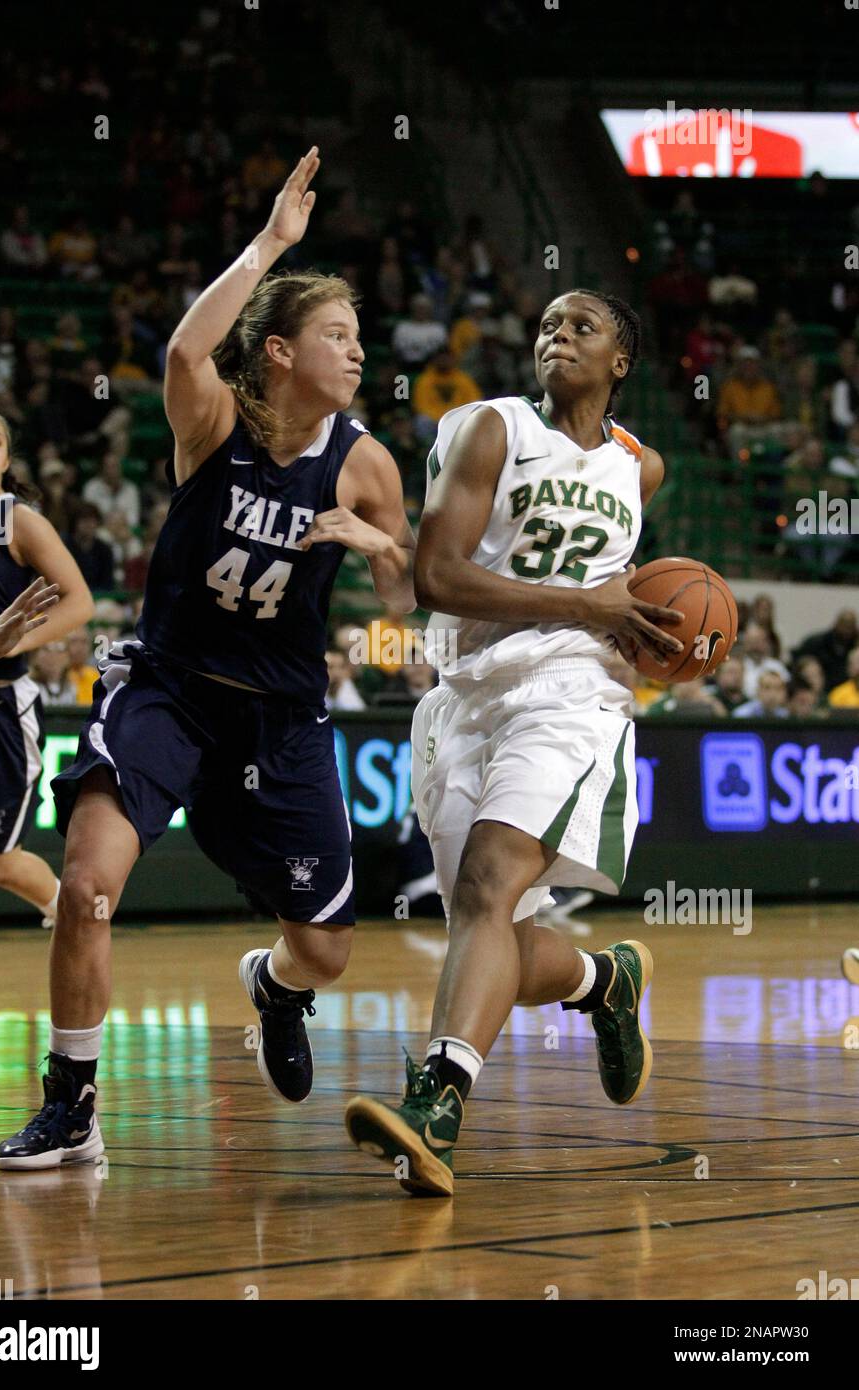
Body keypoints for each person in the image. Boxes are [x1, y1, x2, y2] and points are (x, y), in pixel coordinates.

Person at [0, 147, 416, 1170]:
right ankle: (74, 1102)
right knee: (89, 882)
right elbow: (188, 350)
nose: (357, 353)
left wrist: (383, 555)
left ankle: (273, 987)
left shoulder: (364, 464)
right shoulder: (214, 417)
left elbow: (407, 606)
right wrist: (271, 242)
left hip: (279, 718)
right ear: (276, 350)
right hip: (169, 690)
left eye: (360, 337)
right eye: (335, 334)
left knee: (325, 947)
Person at [345, 288, 684, 1195]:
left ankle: (436, 1104)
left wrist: (652, 633)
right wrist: (591, 604)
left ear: (620, 362)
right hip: (464, 694)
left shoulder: (640, 469)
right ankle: (599, 982)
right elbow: (436, 576)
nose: (557, 335)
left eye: (583, 326)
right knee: (483, 925)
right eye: (547, 324)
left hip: (572, 692)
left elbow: (621, 597)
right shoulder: (486, 429)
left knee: (491, 879)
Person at [0, 408, 93, 927]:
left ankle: (68, 914)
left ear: (6, 458)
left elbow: (78, 601)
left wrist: (6, 644)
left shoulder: (17, 519)